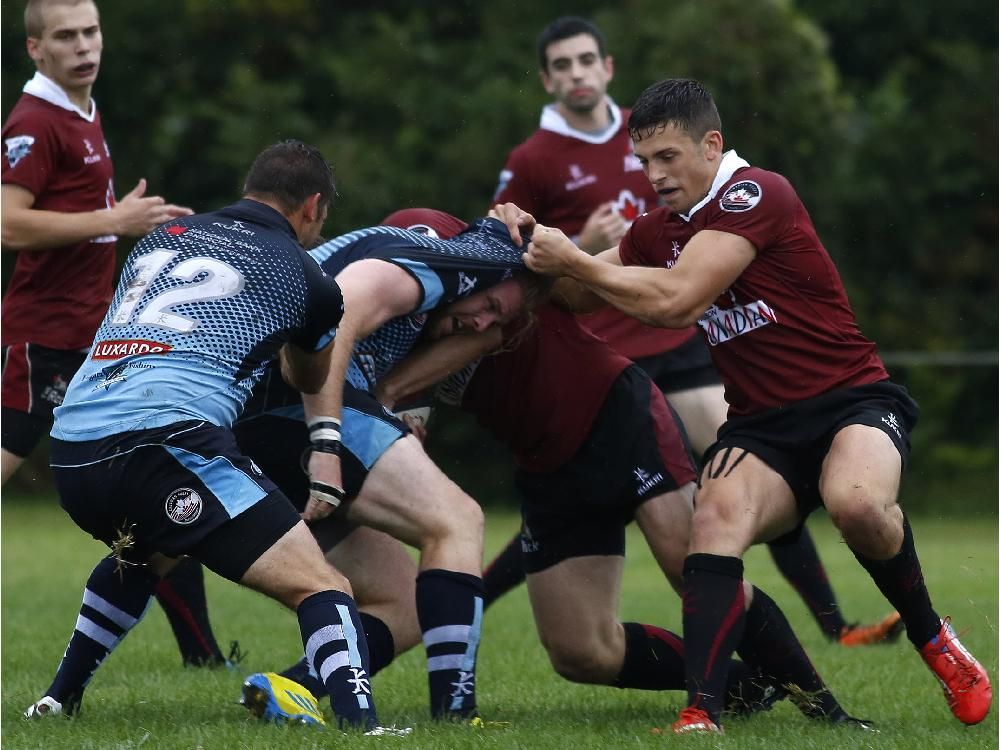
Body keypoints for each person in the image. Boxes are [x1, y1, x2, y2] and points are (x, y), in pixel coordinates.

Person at [256, 209, 867, 729]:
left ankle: (826, 711)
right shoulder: (402, 303)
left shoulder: (446, 249)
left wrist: (534, 228)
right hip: (546, 462)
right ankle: (742, 685)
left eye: (495, 307)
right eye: (483, 308)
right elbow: (394, 367)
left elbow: (522, 252)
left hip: (612, 414)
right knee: (582, 652)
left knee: (694, 567)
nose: (484, 319)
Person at [511, 78, 992, 732]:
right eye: (644, 162)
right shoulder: (657, 230)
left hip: (850, 401)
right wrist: (531, 252)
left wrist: (576, 260)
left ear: (712, 145)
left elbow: (678, 300)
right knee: (713, 523)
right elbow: (577, 297)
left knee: (857, 505)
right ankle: (700, 713)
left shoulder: (755, 193)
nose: (654, 176)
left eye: (668, 157)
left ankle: (934, 637)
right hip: (763, 427)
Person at [487, 15, 900, 649]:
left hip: (686, 336)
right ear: (547, 79)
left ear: (608, 66)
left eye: (585, 60)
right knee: (608, 497)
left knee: (761, 465)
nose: (576, 73)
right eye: (561, 65)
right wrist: (576, 251)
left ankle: (832, 623)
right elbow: (539, 256)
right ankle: (476, 596)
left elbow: (685, 279)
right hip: (613, 350)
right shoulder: (536, 158)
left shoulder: (660, 128)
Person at [22, 140, 397, 734]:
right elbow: (308, 377)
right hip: (164, 441)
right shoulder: (309, 277)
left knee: (143, 552)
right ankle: (364, 729)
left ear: (250, 188)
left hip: (71, 447)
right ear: (313, 208)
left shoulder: (160, 239)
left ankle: (57, 700)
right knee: (324, 586)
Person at [231, 209, 540, 722]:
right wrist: (327, 446)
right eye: (487, 305)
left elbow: (488, 318)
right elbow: (338, 314)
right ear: (478, 269)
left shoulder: (444, 280)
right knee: (456, 522)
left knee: (405, 604)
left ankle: (291, 687)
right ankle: (457, 716)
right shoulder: (429, 262)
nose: (485, 321)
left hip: (251, 417)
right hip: (288, 407)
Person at [2, 0, 229, 669]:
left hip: (90, 341)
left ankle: (204, 657)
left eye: (91, 32)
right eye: (66, 36)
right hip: (41, 343)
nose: (82, 45)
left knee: (156, 476)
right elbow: (10, 225)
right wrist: (116, 219)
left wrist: (121, 221)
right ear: (35, 50)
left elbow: (85, 219)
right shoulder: (35, 122)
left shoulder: (82, 112)